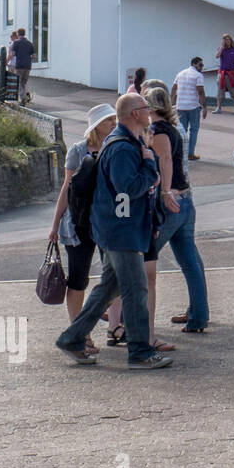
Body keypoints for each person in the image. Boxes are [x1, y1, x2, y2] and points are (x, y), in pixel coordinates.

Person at [54, 93, 172, 370]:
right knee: (135, 288)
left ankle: (72, 338)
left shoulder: (125, 143)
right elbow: (127, 188)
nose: (150, 113)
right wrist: (149, 163)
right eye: (146, 109)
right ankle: (140, 352)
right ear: (134, 114)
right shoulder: (122, 148)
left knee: (110, 286)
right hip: (121, 232)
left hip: (121, 230)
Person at [138, 85, 210, 336]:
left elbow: (165, 160)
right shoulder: (173, 129)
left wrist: (166, 192)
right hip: (185, 200)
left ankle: (121, 314)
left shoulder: (157, 131)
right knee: (190, 261)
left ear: (151, 107)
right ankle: (198, 316)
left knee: (140, 257)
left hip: (171, 202)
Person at [49, 103, 118, 356]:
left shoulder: (115, 147)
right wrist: (55, 224)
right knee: (78, 279)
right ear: (96, 125)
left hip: (106, 223)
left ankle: (109, 321)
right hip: (77, 225)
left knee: (114, 276)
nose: (113, 123)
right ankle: (81, 333)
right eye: (109, 119)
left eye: (114, 119)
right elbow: (67, 188)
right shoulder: (78, 151)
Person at [171, 56, 208, 162]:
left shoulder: (180, 73)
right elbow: (201, 92)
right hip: (193, 106)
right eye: (200, 65)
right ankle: (190, 154)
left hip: (180, 106)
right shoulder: (198, 75)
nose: (202, 67)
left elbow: (174, 88)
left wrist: (171, 101)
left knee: (182, 130)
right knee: (194, 130)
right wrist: (204, 107)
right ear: (194, 64)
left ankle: (181, 153)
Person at [214, 34, 234, 114]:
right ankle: (218, 108)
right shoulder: (221, 49)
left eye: (229, 39)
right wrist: (222, 47)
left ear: (231, 40)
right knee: (220, 91)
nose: (227, 41)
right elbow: (217, 56)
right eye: (226, 40)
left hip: (231, 73)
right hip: (222, 73)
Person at [10, 27, 35, 105]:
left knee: (19, 82)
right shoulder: (29, 43)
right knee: (24, 82)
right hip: (28, 65)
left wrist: (8, 60)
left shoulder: (16, 43)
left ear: (18, 34)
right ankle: (24, 97)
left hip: (19, 65)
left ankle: (23, 98)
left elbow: (13, 54)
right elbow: (33, 56)